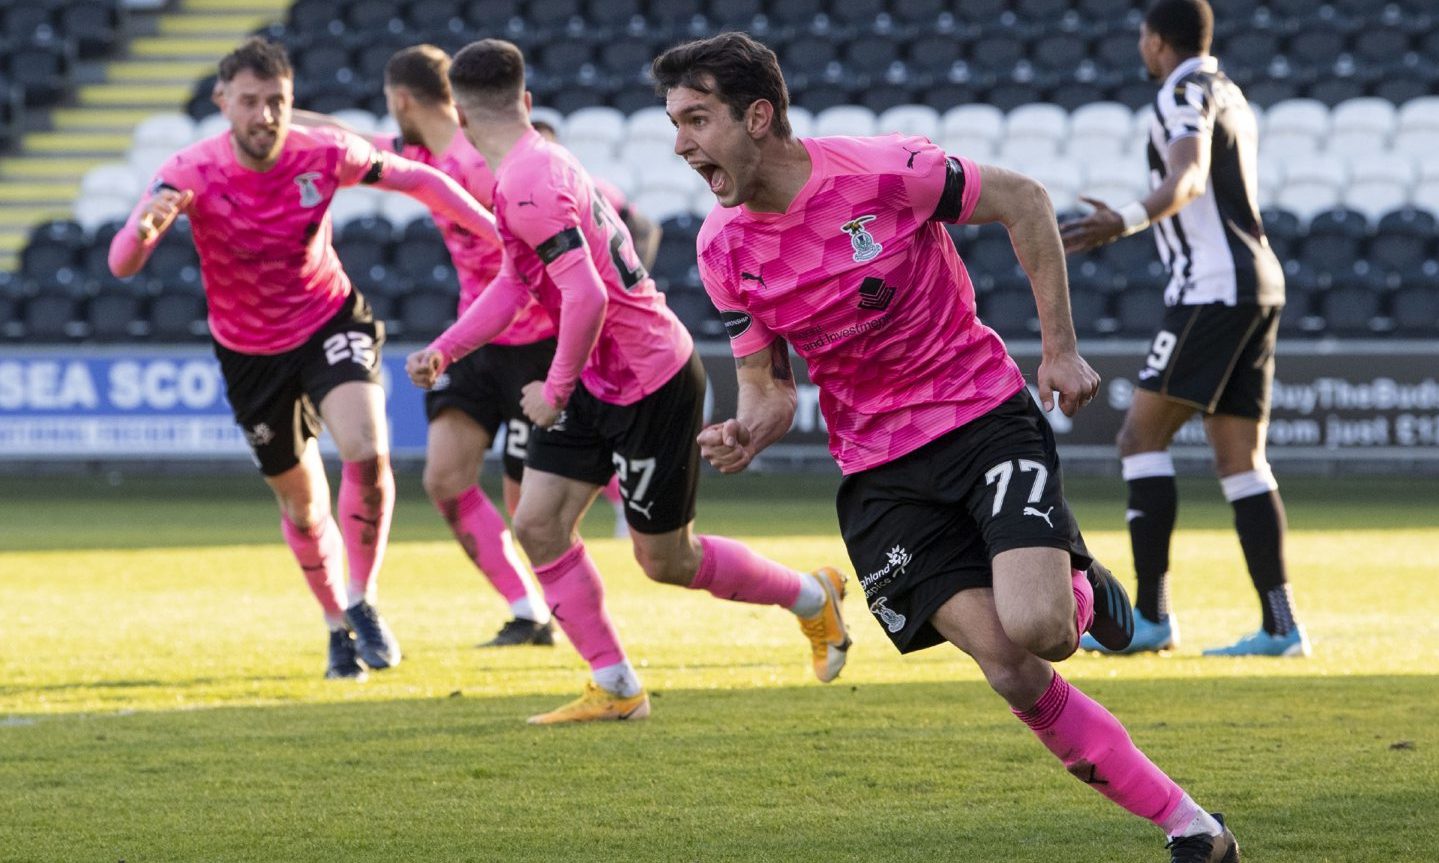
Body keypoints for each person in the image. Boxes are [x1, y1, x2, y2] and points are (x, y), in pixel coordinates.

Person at [655, 31, 1239, 863]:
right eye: (673, 123)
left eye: (697, 119)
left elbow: (1025, 200)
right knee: (1007, 665)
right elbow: (769, 386)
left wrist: (1060, 349)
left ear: (758, 116)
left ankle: (1076, 586)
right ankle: (1192, 828)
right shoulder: (722, 252)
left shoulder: (885, 172)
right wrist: (750, 424)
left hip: (981, 418)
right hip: (880, 474)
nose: (681, 143)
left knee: (1040, 626)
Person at [406, 38, 851, 726]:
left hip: (650, 379)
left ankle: (808, 597)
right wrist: (448, 346)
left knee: (666, 559)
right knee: (538, 524)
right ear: (525, 102)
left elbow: (586, 297)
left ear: (460, 119)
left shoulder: (525, 181)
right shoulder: (536, 165)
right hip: (598, 374)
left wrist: (553, 389)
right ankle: (615, 685)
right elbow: (514, 281)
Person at [109, 37, 502, 680]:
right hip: (249, 352)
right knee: (303, 506)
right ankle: (334, 627)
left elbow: (419, 178)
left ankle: (363, 598)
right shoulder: (188, 171)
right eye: (249, 102)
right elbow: (121, 265)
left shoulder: (322, 152)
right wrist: (141, 232)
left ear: (292, 102)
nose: (264, 116)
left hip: (328, 319)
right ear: (221, 103)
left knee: (368, 452)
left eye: (278, 102)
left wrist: (497, 231)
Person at [1060, 0, 1307, 658]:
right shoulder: (1228, 90)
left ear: (1157, 40)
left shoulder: (1179, 92)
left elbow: (1188, 175)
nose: (1140, 47)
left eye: (1141, 36)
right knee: (1239, 461)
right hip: (1257, 284)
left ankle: (1149, 617)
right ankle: (1281, 625)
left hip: (1211, 289)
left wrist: (1124, 220)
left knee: (1138, 436)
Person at [296, 44, 559, 647]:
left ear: (402, 99)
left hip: (534, 344)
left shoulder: (486, 161)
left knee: (530, 511)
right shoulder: (417, 153)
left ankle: (570, 620)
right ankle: (528, 612)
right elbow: (343, 137)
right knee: (445, 478)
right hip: (475, 344)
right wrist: (280, 118)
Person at [533, 116, 663, 539]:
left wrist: (633, 282)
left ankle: (627, 501)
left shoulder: (588, 188)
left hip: (601, 322)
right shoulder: (532, 193)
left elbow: (645, 227)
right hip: (565, 320)